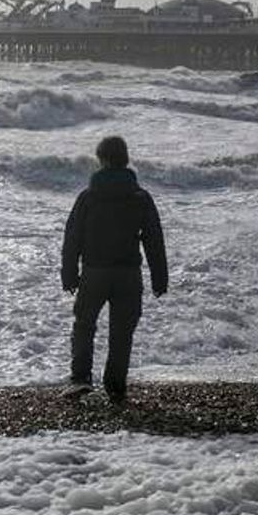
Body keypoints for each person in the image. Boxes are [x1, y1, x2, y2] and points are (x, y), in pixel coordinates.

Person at [61, 135, 168, 404]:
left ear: (102, 160)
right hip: (128, 275)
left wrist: (69, 274)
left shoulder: (88, 197)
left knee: (84, 325)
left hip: (95, 272)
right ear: (125, 159)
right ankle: (116, 385)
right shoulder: (140, 197)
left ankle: (80, 379)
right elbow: (154, 239)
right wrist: (159, 278)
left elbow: (72, 237)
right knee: (122, 332)